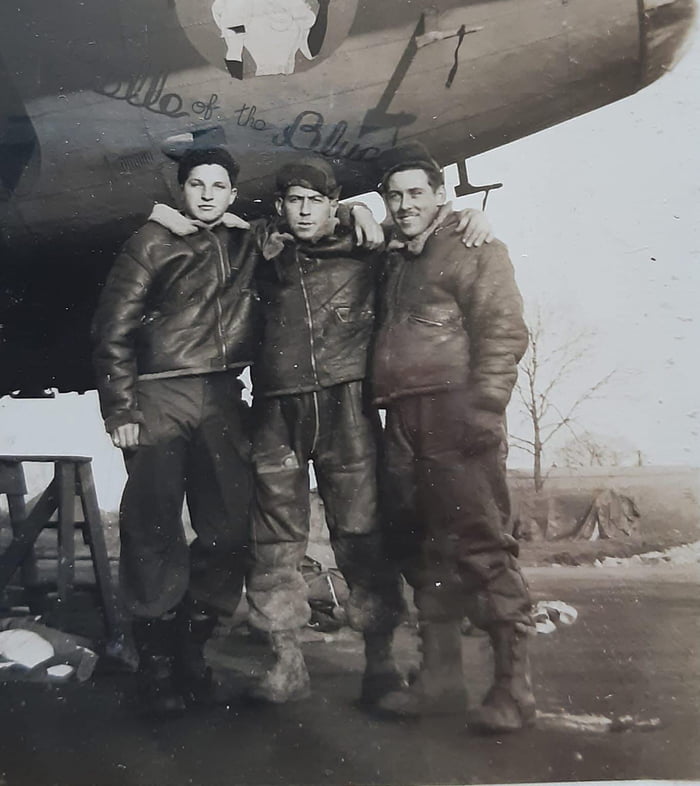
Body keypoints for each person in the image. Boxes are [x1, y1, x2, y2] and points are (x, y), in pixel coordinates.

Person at [244, 156, 493, 707]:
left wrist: (466, 221)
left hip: (347, 404)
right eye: (293, 200)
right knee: (273, 543)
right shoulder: (262, 253)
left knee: (362, 535)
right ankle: (284, 662)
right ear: (280, 207)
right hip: (276, 412)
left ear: (333, 204)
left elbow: (420, 236)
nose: (304, 211)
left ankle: (379, 664)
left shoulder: (369, 249)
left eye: (316, 200)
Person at [370, 142, 534, 734]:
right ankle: (440, 681)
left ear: (441, 196)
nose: (405, 204)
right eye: (394, 195)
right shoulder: (397, 258)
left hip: (456, 412)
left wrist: (486, 406)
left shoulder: (474, 246)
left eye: (416, 193)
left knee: (480, 544)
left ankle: (513, 690)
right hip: (404, 418)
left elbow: (504, 326)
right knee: (421, 549)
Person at [92, 147, 258, 716]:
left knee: (230, 528)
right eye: (196, 183)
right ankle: (157, 663)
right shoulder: (150, 241)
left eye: (218, 185)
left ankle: (193, 648)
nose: (208, 194)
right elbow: (111, 330)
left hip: (222, 396)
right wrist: (121, 411)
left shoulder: (245, 241)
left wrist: (360, 214)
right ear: (181, 189)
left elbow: (310, 223)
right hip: (160, 394)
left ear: (234, 195)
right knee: (152, 527)